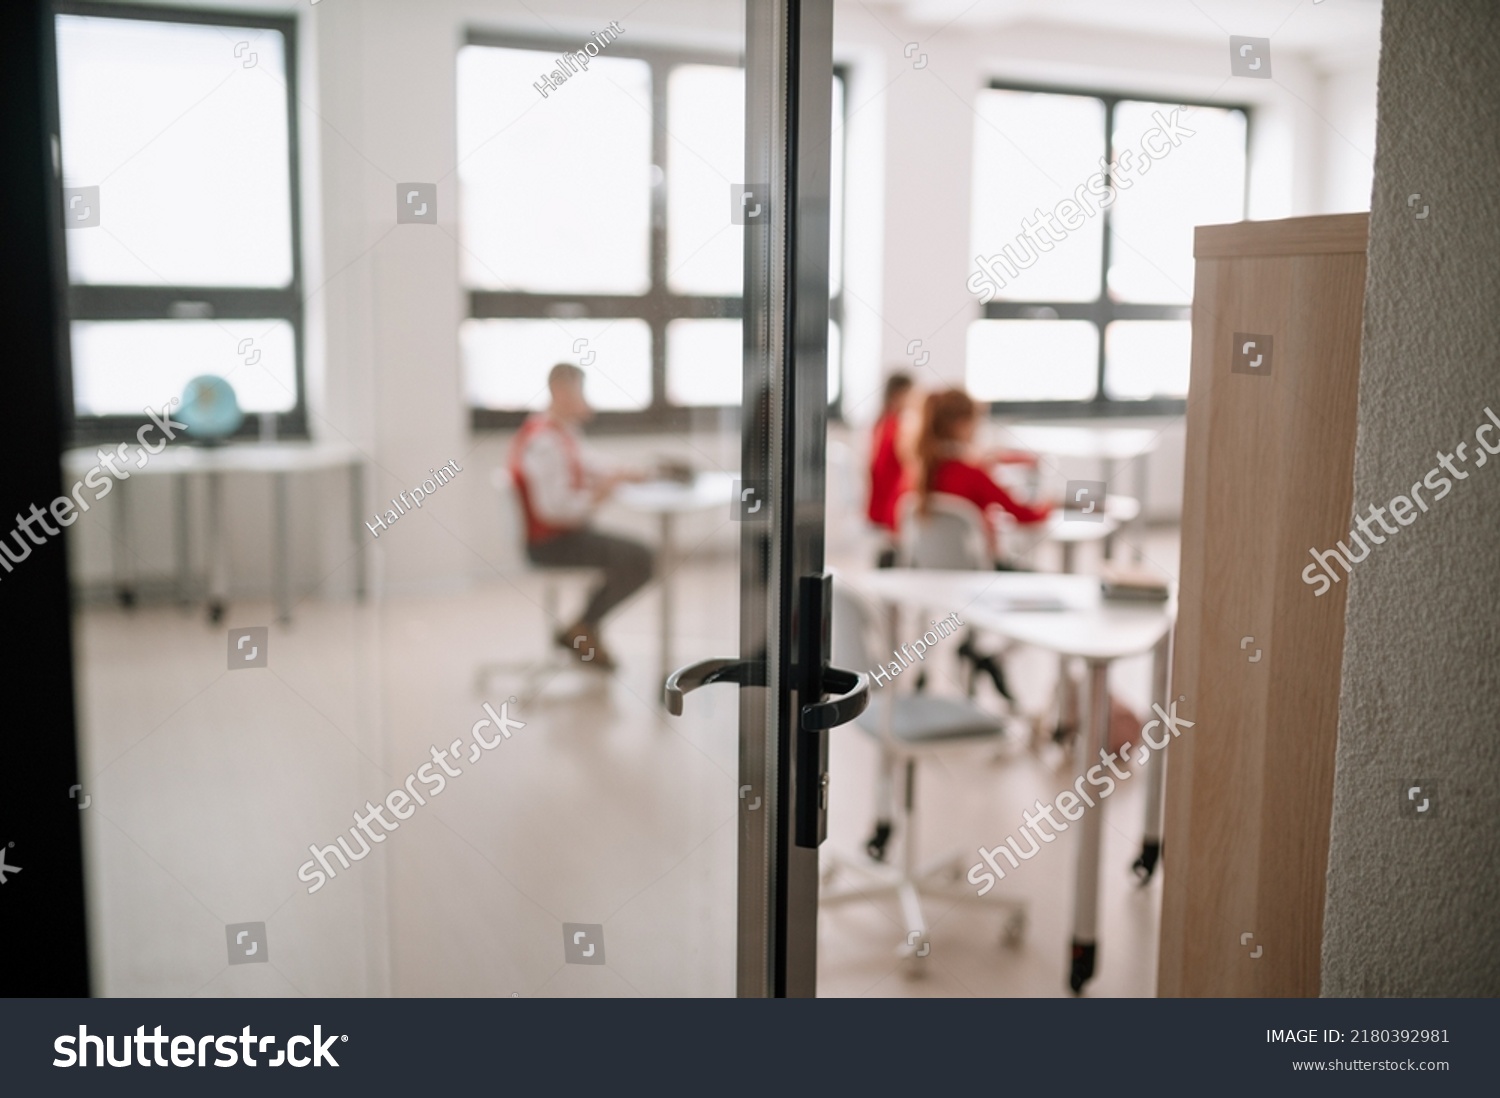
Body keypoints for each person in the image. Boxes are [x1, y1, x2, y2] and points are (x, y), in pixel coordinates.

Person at [508, 363, 653, 671]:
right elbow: (555, 510)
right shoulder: (543, 443)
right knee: (642, 558)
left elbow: (588, 460)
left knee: (633, 555)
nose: (586, 399)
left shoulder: (560, 432)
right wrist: (598, 495)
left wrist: (625, 473)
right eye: (580, 391)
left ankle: (583, 630)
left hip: (564, 536)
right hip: (552, 544)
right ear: (561, 391)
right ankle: (581, 628)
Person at [910, 387, 1053, 562]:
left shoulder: (918, 474)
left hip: (928, 575)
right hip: (977, 576)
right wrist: (1048, 505)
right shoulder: (973, 474)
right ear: (961, 425)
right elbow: (1025, 516)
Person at [867, 372, 914, 566]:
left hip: (883, 500)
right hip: (890, 502)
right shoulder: (894, 427)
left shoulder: (882, 422)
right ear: (899, 394)